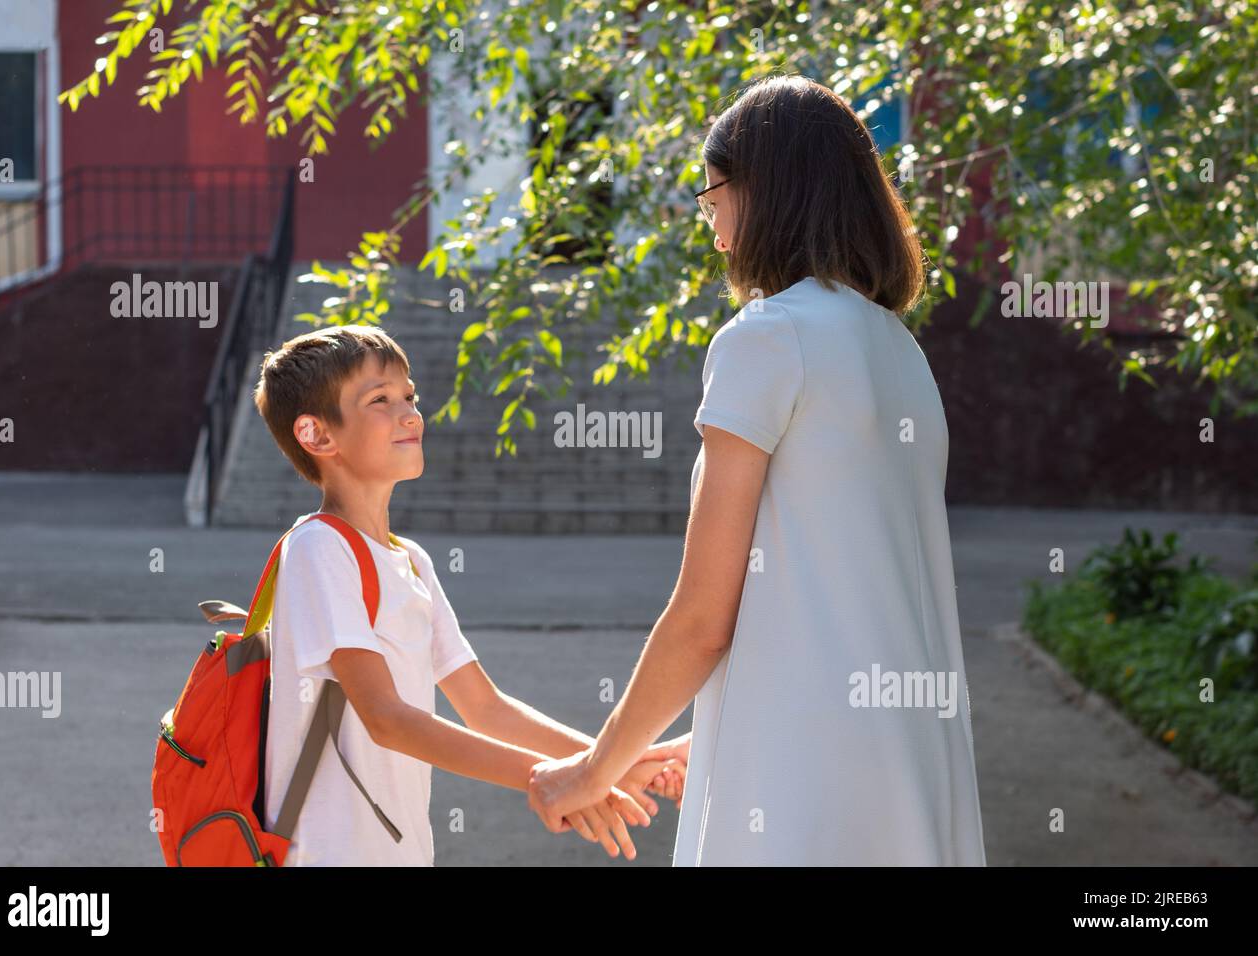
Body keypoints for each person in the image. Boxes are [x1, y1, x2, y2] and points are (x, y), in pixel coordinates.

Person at [528, 73, 988, 866]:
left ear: (763, 191)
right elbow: (835, 594)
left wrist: (588, 771)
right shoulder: (899, 349)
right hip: (910, 768)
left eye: (712, 202)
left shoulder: (766, 338)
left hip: (798, 785)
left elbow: (704, 616)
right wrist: (704, 732)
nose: (715, 235)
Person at [251, 324, 684, 865]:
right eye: (380, 400)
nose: (410, 413)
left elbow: (486, 708)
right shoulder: (319, 549)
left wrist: (610, 762)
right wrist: (539, 777)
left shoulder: (410, 560)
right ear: (316, 436)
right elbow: (385, 717)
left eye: (410, 396)